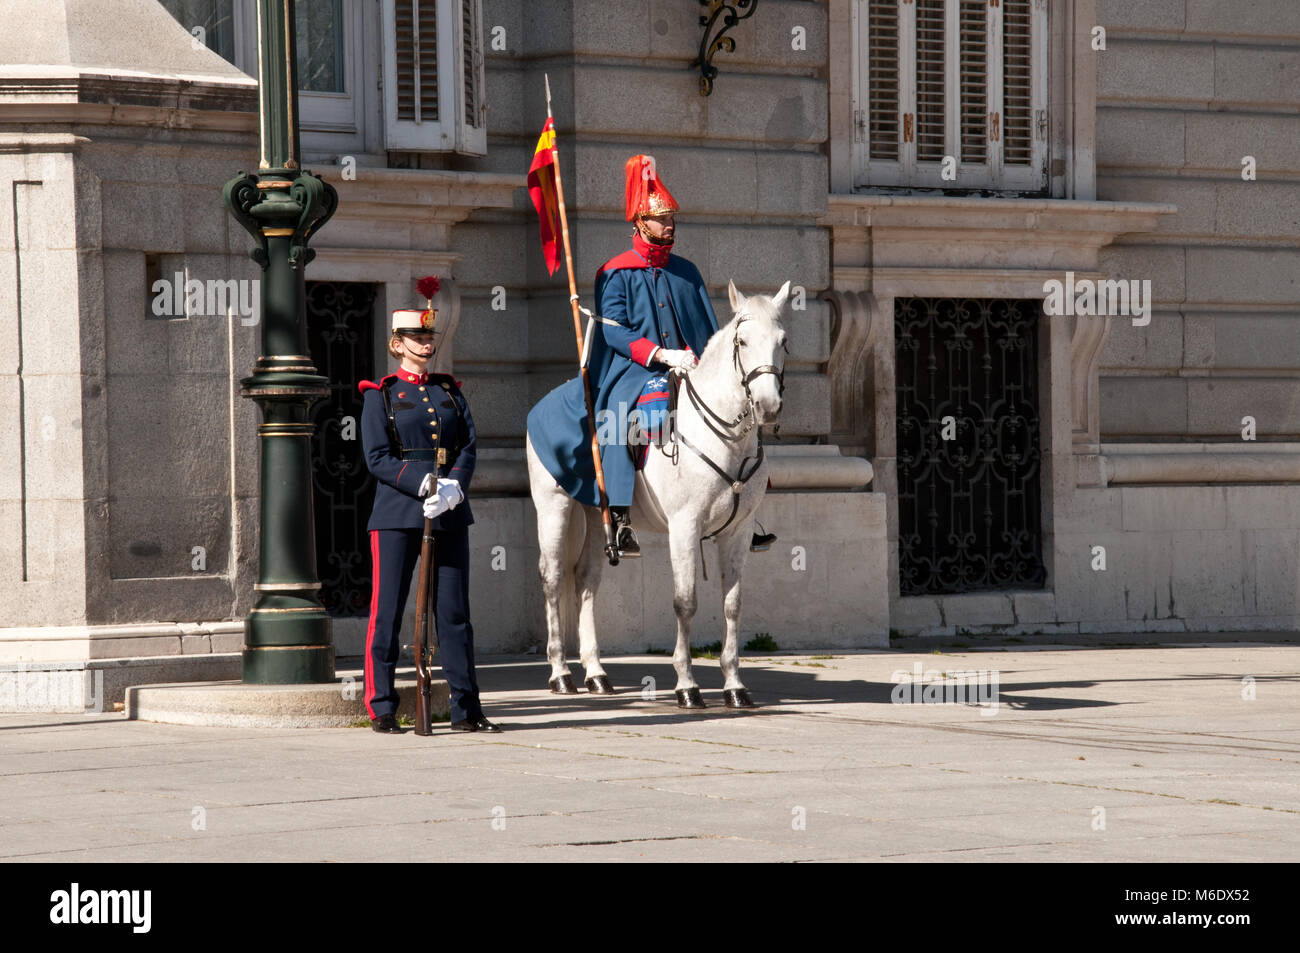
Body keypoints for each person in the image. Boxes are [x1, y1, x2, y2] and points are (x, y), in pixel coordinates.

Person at [527, 154, 719, 556]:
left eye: (671, 218)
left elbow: (707, 327)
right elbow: (614, 333)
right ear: (639, 222)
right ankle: (619, 515)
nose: (669, 225)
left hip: (689, 364)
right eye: (661, 218)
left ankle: (745, 511)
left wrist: (708, 362)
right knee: (619, 414)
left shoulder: (687, 271)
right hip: (632, 368)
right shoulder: (615, 272)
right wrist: (661, 355)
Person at [357, 294, 500, 734]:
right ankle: (381, 706)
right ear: (396, 344)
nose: (425, 342)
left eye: (428, 335)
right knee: (388, 610)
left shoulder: (448, 392)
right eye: (416, 336)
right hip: (398, 513)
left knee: (454, 612)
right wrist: (420, 481)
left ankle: (466, 709)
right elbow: (377, 457)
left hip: (450, 512)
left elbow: (468, 446)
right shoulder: (380, 396)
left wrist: (455, 485)